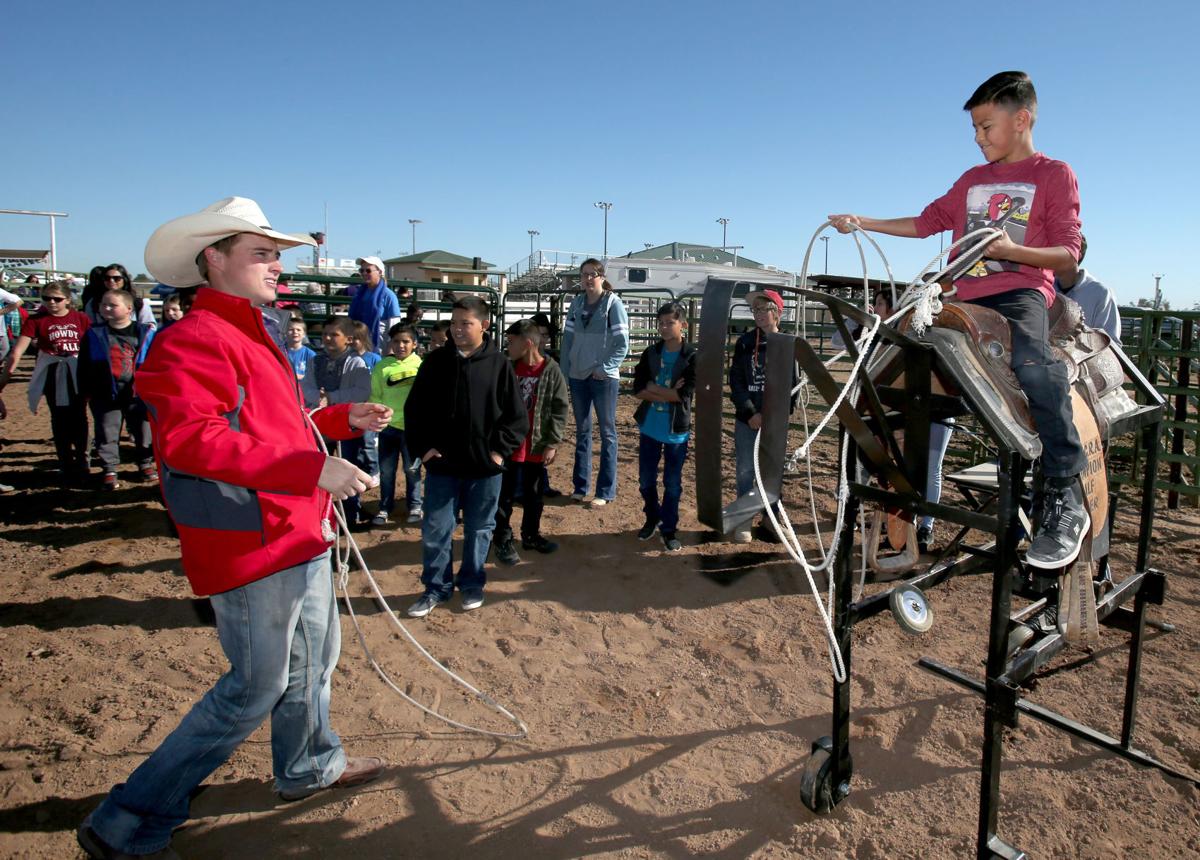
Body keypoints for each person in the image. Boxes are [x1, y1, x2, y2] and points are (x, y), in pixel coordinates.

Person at [76, 197, 391, 859]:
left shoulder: (253, 332)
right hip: (253, 542)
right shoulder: (193, 339)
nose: (277, 264)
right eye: (262, 253)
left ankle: (307, 765)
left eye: (275, 253)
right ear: (213, 260)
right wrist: (314, 468)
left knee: (311, 666)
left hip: (290, 530)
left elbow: (283, 426)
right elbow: (192, 441)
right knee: (255, 687)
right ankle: (126, 819)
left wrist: (339, 422)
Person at [829, 70, 1088, 570]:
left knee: (1034, 366)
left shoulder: (1054, 174)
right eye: (975, 128)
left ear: (1022, 119)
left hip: (1018, 292)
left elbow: (1068, 252)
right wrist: (863, 222)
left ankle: (1063, 490)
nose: (978, 137)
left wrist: (1013, 250)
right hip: (958, 295)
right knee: (888, 365)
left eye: (986, 126)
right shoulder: (971, 181)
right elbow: (925, 223)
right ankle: (885, 472)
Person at [403, 296, 527, 617]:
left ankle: (472, 582)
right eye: (454, 323)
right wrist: (425, 449)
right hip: (443, 467)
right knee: (436, 528)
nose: (456, 330)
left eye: (465, 324)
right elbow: (415, 411)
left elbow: (516, 418)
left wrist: (498, 453)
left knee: (479, 529)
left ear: (483, 326)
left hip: (485, 469)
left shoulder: (499, 365)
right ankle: (436, 587)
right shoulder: (434, 363)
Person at [492, 319, 568, 565]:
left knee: (534, 494)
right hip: (509, 444)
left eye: (511, 342)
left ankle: (531, 535)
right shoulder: (507, 368)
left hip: (536, 444)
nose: (508, 347)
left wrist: (552, 442)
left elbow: (559, 408)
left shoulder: (551, 370)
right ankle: (502, 537)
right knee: (504, 495)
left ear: (527, 343)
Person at [0, 280, 90, 482]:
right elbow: (17, 351)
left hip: (77, 372)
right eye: (46, 298)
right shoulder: (37, 320)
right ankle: (66, 462)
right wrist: (4, 380)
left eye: (57, 299)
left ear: (67, 300)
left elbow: (93, 346)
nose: (51, 303)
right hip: (53, 372)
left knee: (79, 418)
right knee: (59, 419)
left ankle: (83, 461)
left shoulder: (81, 318)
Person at [559, 258, 629, 507]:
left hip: (603, 379)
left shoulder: (613, 304)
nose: (588, 279)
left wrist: (605, 368)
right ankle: (580, 486)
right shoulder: (576, 304)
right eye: (584, 274)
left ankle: (605, 491)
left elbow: (622, 343)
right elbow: (567, 341)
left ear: (601, 276)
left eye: (592, 274)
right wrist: (565, 372)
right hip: (578, 377)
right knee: (582, 432)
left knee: (608, 433)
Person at [728, 289, 796, 543]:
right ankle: (744, 518)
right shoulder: (745, 343)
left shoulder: (787, 343)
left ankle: (772, 517)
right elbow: (736, 381)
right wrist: (749, 412)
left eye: (763, 309)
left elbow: (792, 386)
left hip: (774, 422)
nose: (757, 314)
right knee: (746, 469)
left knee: (772, 471)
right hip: (747, 419)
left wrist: (774, 417)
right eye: (754, 310)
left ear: (776, 312)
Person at [632, 302, 697, 552]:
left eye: (670, 322)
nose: (664, 327)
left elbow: (685, 395)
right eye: (661, 323)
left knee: (672, 483)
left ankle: (669, 528)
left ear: (683, 325)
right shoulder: (651, 352)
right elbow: (638, 388)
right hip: (649, 427)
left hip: (676, 432)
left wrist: (654, 388)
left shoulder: (691, 356)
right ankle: (652, 516)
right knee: (645, 479)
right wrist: (667, 392)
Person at [76, 289, 156, 490]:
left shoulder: (145, 332)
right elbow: (84, 364)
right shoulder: (94, 333)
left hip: (137, 393)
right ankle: (109, 468)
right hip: (104, 391)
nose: (107, 308)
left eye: (113, 305)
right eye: (104, 305)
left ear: (129, 309)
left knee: (143, 430)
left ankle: (145, 463)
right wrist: (85, 389)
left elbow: (156, 362)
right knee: (106, 430)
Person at [304, 315, 372, 523]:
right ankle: (318, 515)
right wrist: (319, 399)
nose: (328, 338)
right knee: (318, 470)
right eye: (325, 334)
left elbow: (361, 391)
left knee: (349, 469)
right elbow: (305, 387)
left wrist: (331, 398)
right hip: (319, 425)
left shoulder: (356, 362)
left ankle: (351, 515)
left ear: (349, 339)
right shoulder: (315, 361)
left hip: (346, 425)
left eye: (335, 334)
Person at [370, 323, 423, 526]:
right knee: (387, 471)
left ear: (415, 344)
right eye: (397, 341)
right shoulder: (382, 367)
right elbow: (375, 396)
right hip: (388, 429)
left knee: (412, 470)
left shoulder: (421, 366)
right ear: (391, 343)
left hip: (412, 429)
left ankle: (415, 505)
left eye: (405, 341)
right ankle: (384, 508)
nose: (401, 345)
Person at [1054, 235, 1121, 341]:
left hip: (1085, 357)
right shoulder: (1044, 289)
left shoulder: (1101, 293)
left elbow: (1111, 342)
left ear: (1077, 254)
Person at [347, 255, 401, 353]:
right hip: (358, 347)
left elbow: (394, 326)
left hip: (380, 349)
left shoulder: (389, 296)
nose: (364, 273)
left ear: (379, 272)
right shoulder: (359, 294)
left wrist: (391, 350)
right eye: (361, 271)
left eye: (368, 270)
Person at [81, 263, 157, 329]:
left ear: (124, 280)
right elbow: (88, 326)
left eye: (116, 278)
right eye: (107, 278)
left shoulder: (139, 302)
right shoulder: (93, 303)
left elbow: (150, 326)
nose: (111, 281)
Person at [284, 316, 315, 382]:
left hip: (303, 388)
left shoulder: (310, 354)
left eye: (298, 330)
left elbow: (314, 376)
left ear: (304, 334)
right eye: (291, 329)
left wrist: (296, 376)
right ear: (285, 332)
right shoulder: (280, 351)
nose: (295, 332)